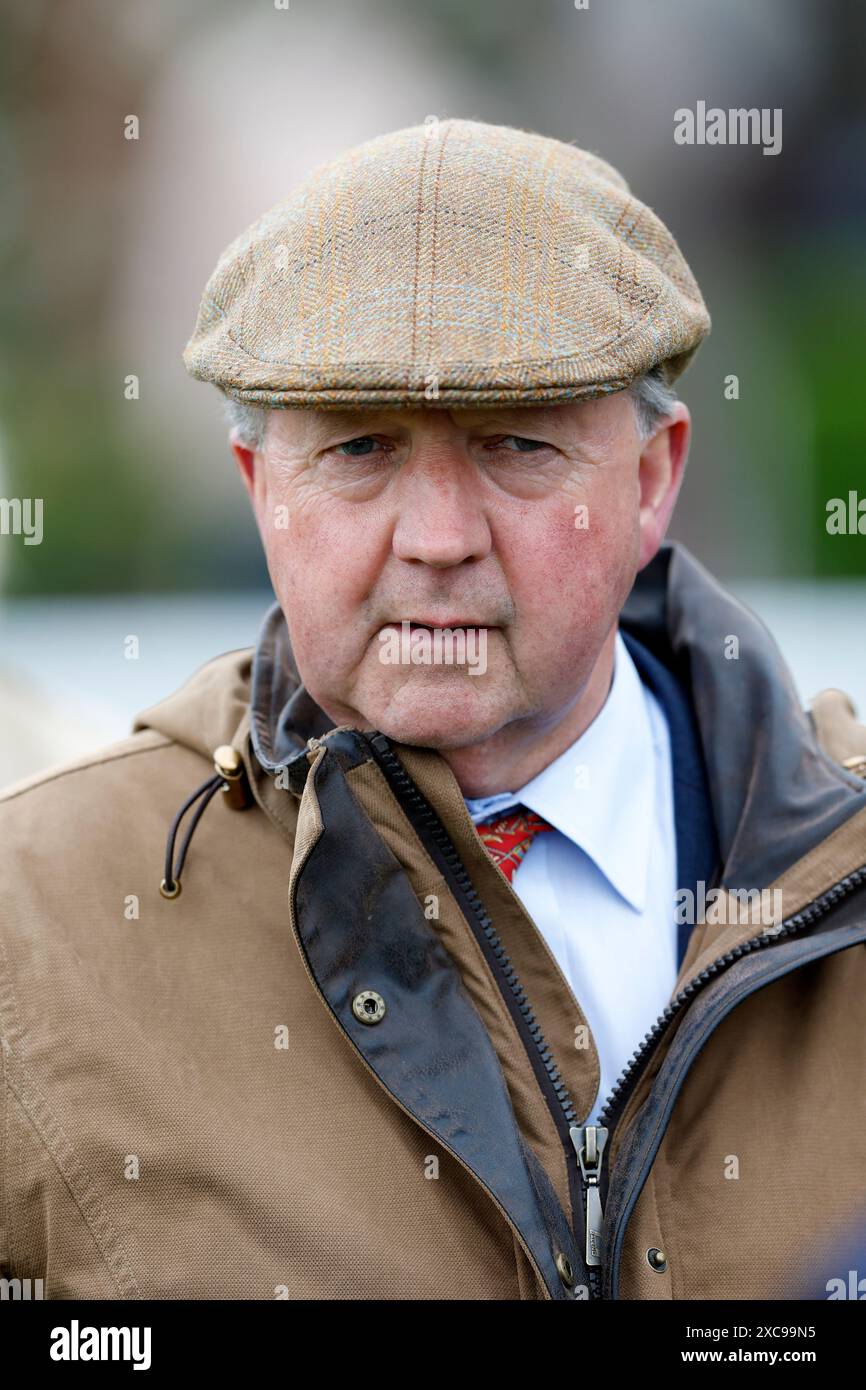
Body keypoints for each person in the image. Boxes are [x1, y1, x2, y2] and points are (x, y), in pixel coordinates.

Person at [1, 119, 865, 1302]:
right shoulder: (31, 920)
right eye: (359, 450)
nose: (438, 540)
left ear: (653, 479)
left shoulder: (843, 858)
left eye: (516, 445)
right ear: (261, 493)